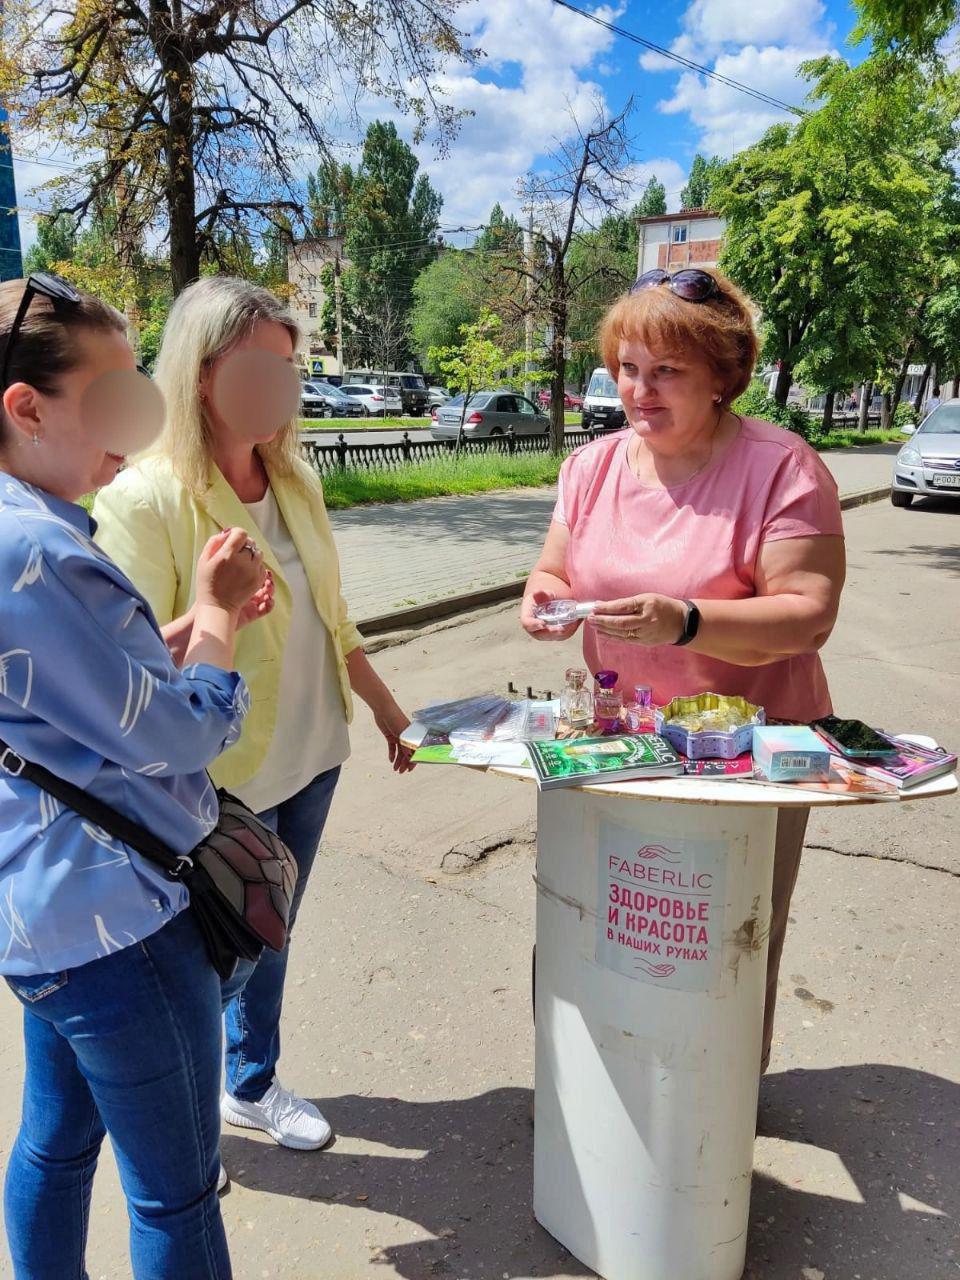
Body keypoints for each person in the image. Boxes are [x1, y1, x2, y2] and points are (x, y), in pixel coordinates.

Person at [94, 275, 415, 1155]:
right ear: (201, 374)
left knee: (271, 933)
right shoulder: (147, 497)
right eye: (260, 368)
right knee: (205, 955)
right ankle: (186, 1118)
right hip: (219, 776)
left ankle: (251, 1083)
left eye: (290, 369)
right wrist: (216, 612)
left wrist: (387, 712)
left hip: (314, 754)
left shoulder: (294, 478)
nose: (283, 389)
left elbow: (334, 618)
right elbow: (119, 669)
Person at [0, 274, 266, 1278]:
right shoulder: (42, 551)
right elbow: (184, 737)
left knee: (56, 1142)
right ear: (24, 407)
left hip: (37, 915)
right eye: (110, 402)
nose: (133, 431)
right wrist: (224, 617)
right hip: (122, 923)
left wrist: (160, 643)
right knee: (176, 1190)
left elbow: (50, 697)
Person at [521, 267, 846, 1072]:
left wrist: (688, 621)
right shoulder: (591, 467)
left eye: (667, 371)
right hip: (618, 745)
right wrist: (544, 598)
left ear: (722, 375)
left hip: (748, 760)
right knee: (600, 917)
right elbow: (554, 570)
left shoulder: (784, 466)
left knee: (725, 937)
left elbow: (809, 613)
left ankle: (719, 1100)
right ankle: (601, 1091)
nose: (640, 390)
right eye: (628, 368)